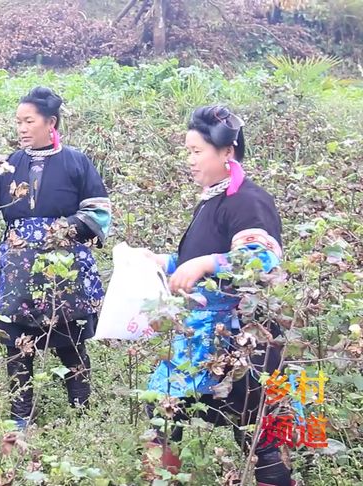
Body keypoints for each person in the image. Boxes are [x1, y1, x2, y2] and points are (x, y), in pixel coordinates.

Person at [138, 106, 292, 486]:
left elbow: (260, 256)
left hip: (241, 337)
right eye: (187, 152)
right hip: (200, 337)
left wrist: (207, 262)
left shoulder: (248, 200)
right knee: (163, 409)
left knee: (259, 428)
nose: (190, 161)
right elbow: (198, 259)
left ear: (227, 153)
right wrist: (167, 261)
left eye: (196, 152)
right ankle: (160, 478)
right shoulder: (213, 200)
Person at [0, 87, 111, 429]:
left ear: (50, 122)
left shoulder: (76, 162)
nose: (22, 128)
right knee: (16, 343)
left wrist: (60, 231)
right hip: (17, 272)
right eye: (18, 122)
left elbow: (99, 212)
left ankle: (82, 413)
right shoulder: (8, 164)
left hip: (62, 271)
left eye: (29, 121)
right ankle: (20, 417)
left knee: (69, 340)